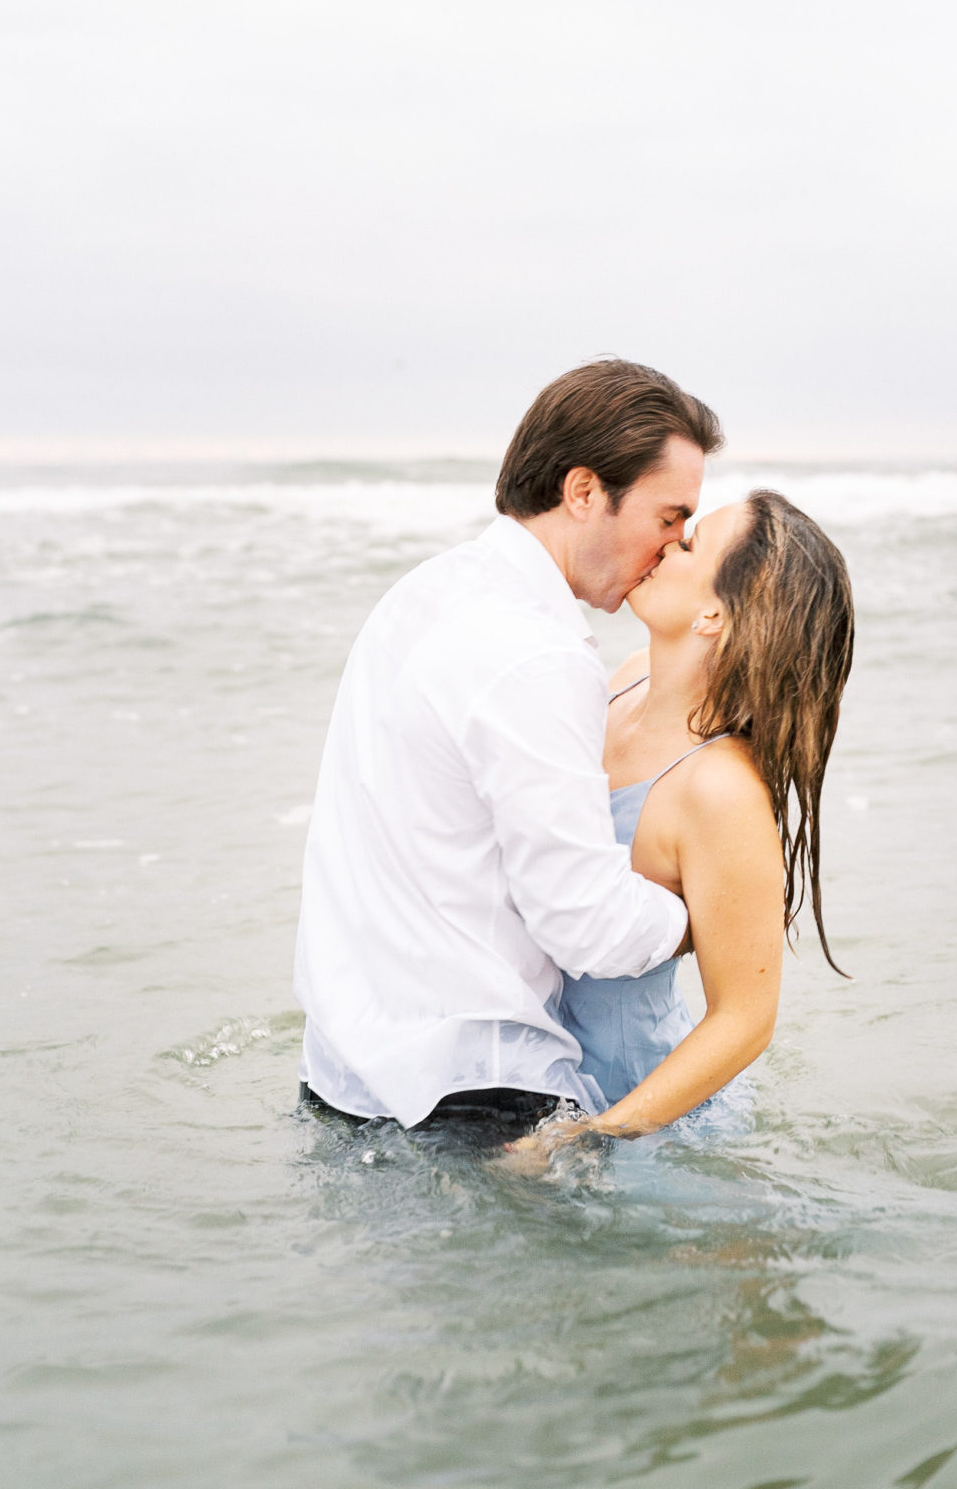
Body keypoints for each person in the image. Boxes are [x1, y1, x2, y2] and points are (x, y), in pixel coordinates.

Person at [293, 360, 723, 1140]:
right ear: (584, 491)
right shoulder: (538, 656)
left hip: (344, 1073)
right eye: (669, 517)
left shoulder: (422, 593)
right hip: (476, 1092)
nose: (674, 547)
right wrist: (705, 918)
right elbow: (584, 923)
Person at [502, 488, 855, 1168]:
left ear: (714, 614)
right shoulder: (624, 682)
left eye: (689, 545)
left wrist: (589, 1140)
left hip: (643, 1129)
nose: (667, 540)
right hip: (539, 1082)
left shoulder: (718, 788)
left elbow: (745, 1019)